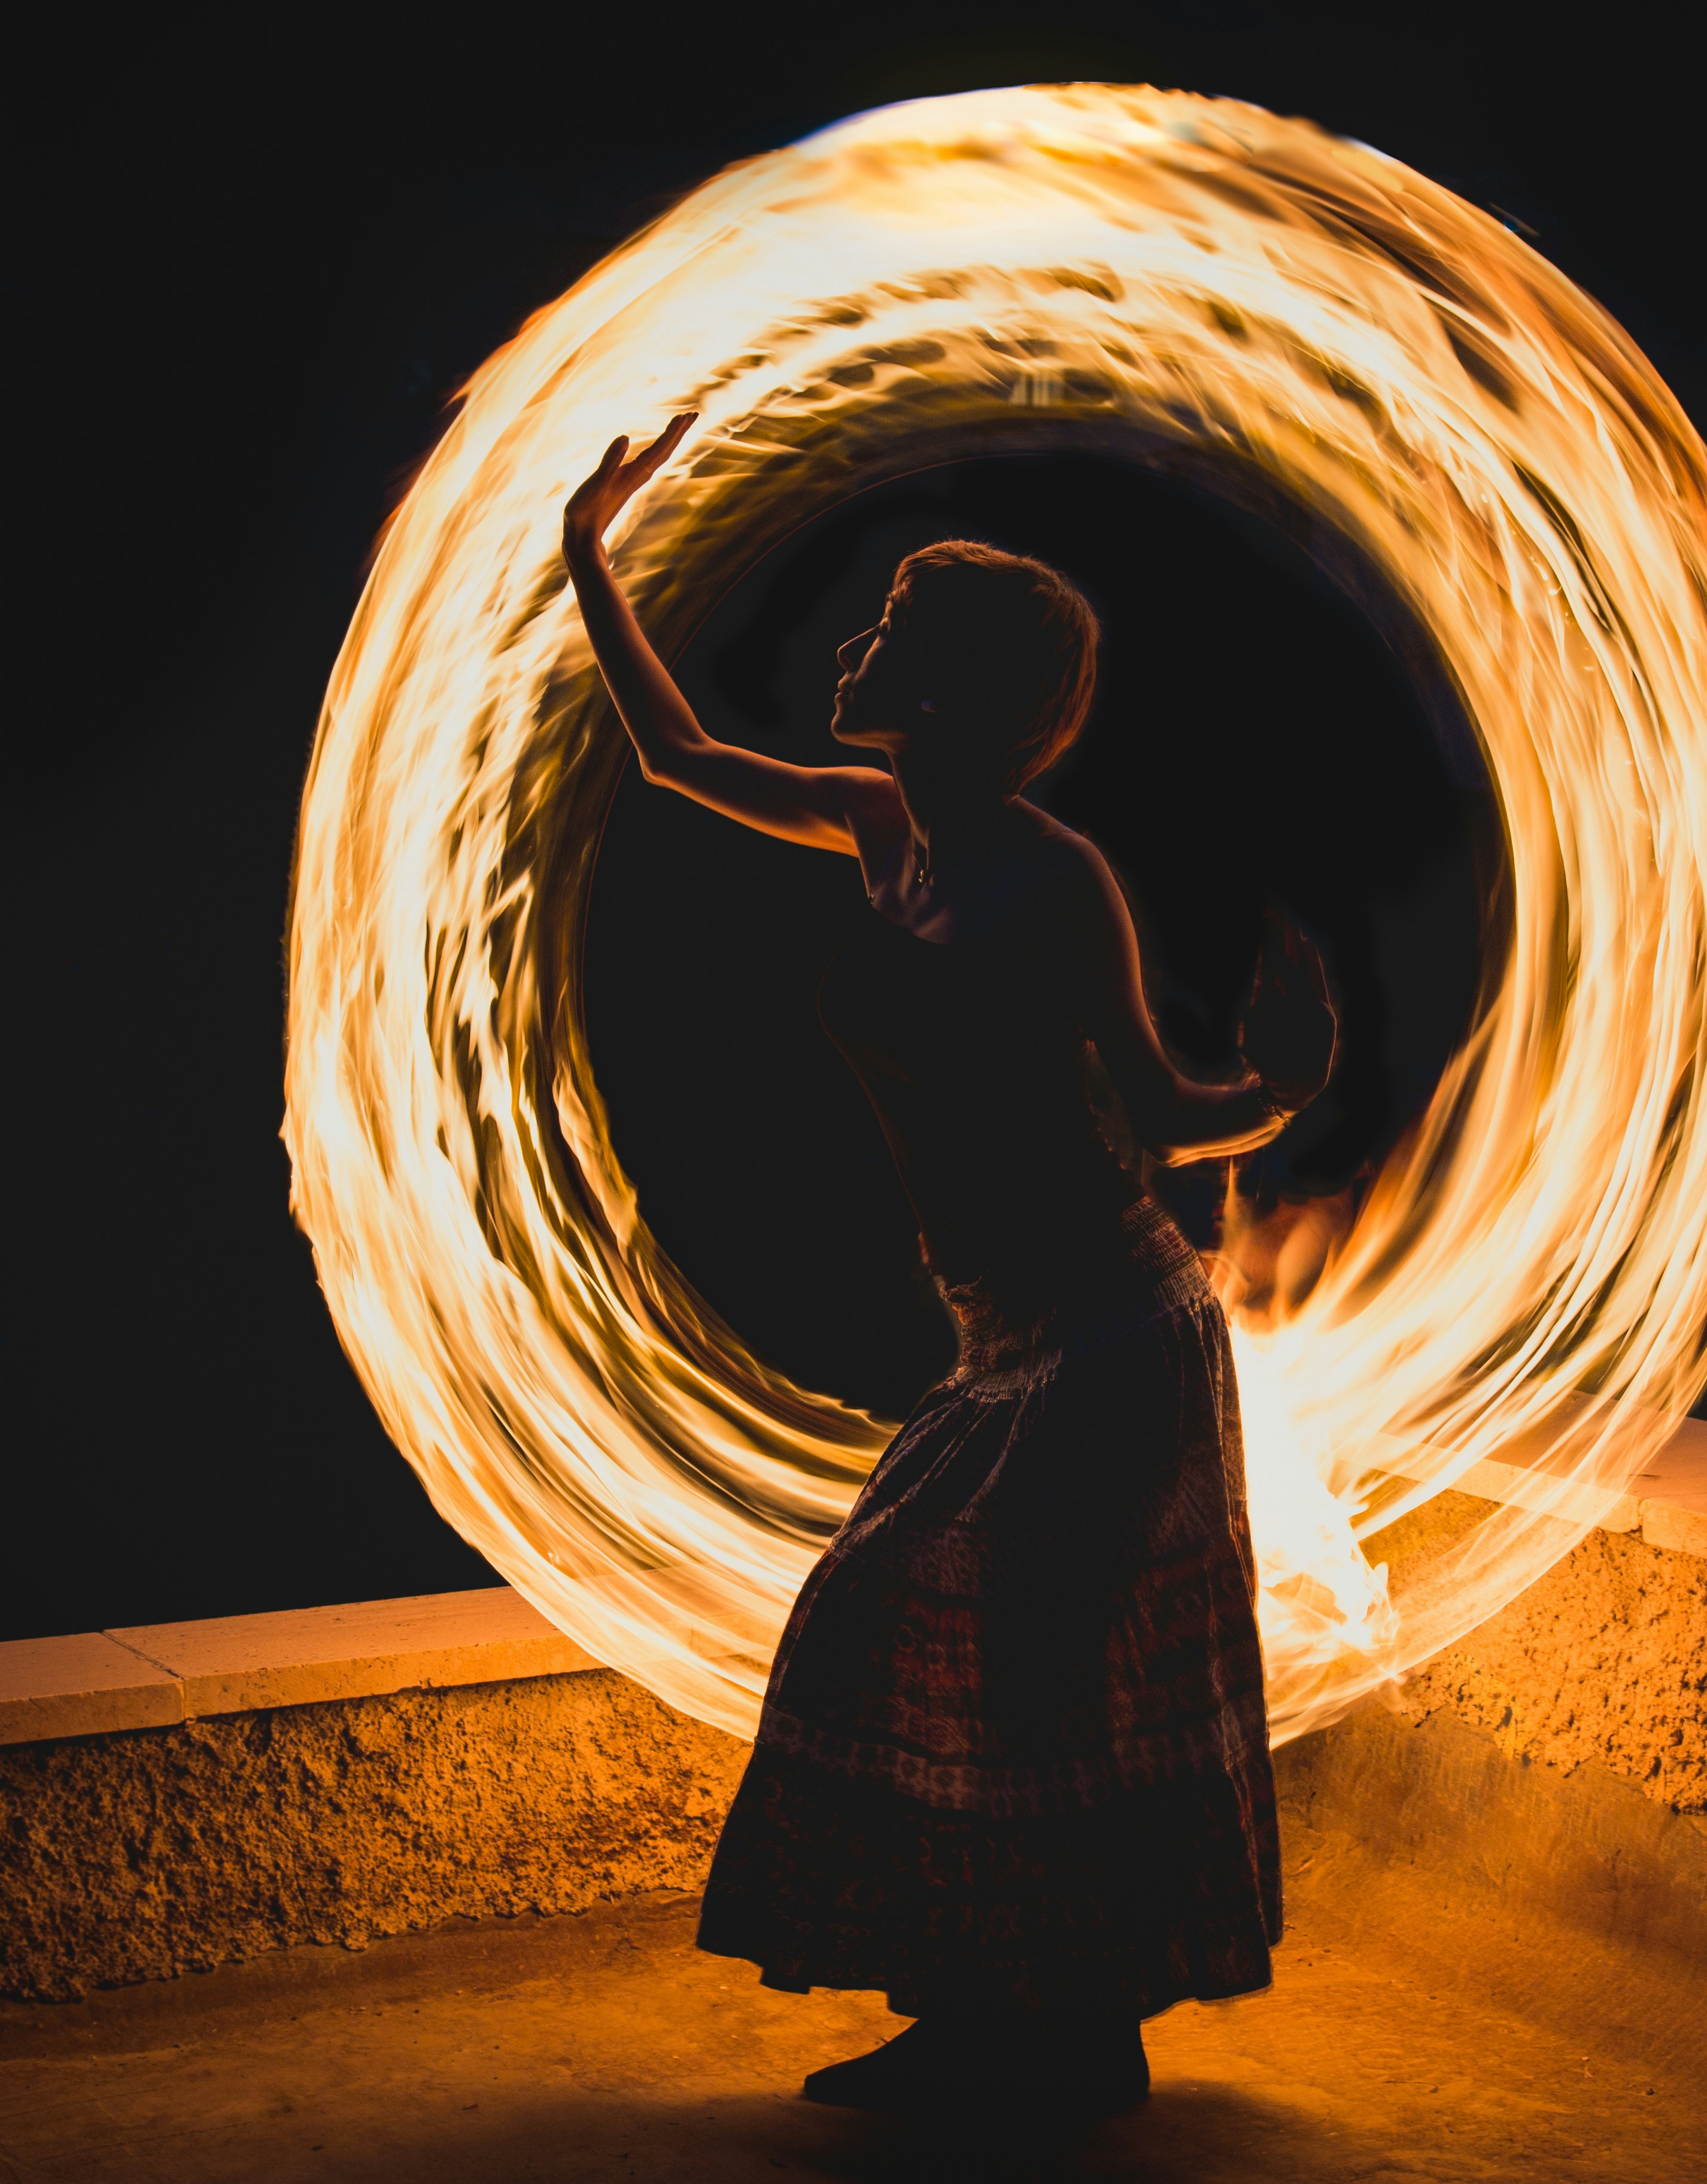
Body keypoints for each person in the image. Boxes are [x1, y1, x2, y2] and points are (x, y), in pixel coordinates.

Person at [560, 417, 1336, 2121]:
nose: (853, 648)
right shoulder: (865, 818)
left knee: (1015, 1679)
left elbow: (1161, 1114)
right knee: (917, 1649)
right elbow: (680, 752)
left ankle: (1054, 2039)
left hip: (1111, 1333)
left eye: (891, 635)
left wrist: (1279, 1084)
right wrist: (585, 547)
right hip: (1001, 1340)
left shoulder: (1056, 882)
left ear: (961, 690)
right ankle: (1005, 2018)